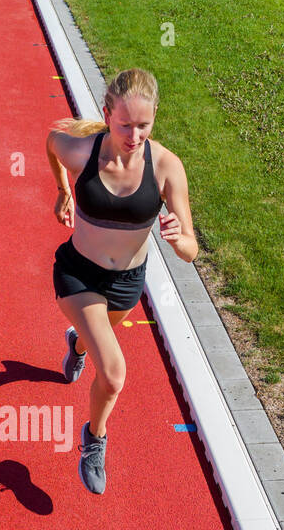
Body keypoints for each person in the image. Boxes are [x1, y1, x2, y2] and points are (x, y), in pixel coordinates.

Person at [46, 68, 197, 495]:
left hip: (127, 283)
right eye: (125, 124)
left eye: (144, 125)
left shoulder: (167, 167)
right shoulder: (83, 153)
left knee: (96, 341)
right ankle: (94, 439)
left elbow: (191, 249)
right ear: (108, 114)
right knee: (112, 373)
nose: (134, 134)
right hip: (77, 274)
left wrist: (177, 238)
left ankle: (76, 342)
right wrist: (63, 193)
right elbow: (51, 144)